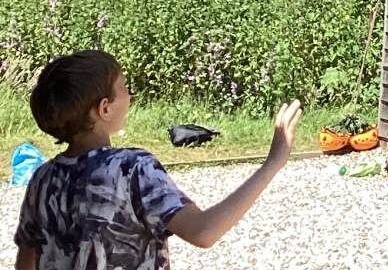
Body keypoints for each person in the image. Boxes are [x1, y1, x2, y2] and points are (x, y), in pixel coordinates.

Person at [13, 49, 301, 270]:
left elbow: (26, 262)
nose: (130, 95)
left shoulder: (43, 178)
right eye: (123, 87)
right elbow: (203, 232)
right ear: (104, 108)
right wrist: (273, 162)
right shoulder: (132, 168)